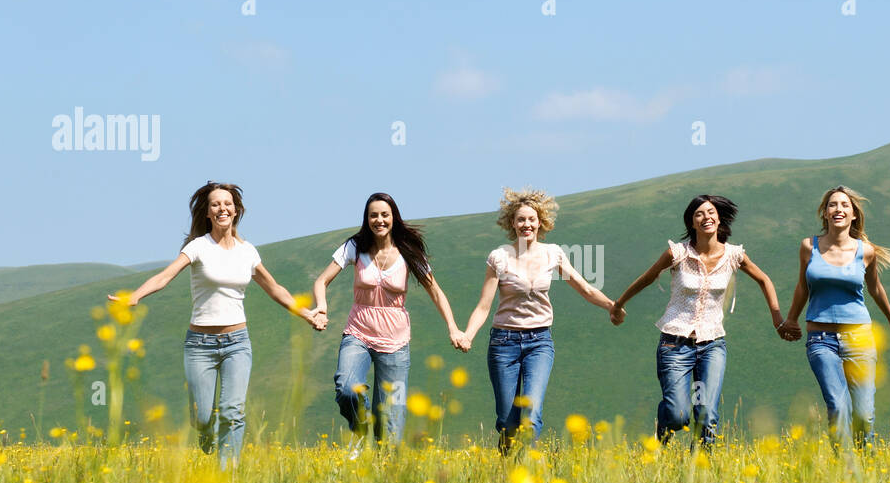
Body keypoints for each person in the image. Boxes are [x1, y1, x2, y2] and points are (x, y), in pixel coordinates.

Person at [110, 182, 322, 469]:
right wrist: (135, 296)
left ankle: (227, 475)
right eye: (215, 204)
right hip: (199, 346)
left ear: (237, 210)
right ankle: (205, 432)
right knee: (202, 417)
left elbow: (275, 289)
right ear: (208, 213)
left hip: (237, 342)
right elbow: (164, 276)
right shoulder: (198, 247)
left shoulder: (248, 252)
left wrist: (307, 314)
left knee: (233, 410)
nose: (222, 208)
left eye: (227, 203)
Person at [610, 194, 789, 447]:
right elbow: (647, 278)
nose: (706, 217)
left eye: (711, 212)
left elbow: (764, 279)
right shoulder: (678, 253)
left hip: (712, 346)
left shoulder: (734, 255)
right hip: (674, 345)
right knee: (678, 415)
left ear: (719, 218)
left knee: (706, 415)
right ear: (692, 223)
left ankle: (701, 472)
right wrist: (619, 304)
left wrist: (777, 318)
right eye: (699, 214)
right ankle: (664, 426)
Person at [460, 188, 616, 453]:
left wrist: (612, 306)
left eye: (531, 219)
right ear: (512, 223)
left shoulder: (552, 254)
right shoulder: (499, 257)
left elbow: (584, 288)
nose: (526, 224)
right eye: (520, 219)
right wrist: (468, 335)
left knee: (530, 416)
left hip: (539, 343)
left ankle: (529, 473)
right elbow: (484, 306)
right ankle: (507, 472)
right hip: (503, 343)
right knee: (508, 423)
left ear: (540, 222)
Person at [312, 193, 465, 453]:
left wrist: (453, 327)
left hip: (395, 342)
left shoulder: (409, 252)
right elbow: (321, 281)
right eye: (374, 215)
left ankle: (385, 473)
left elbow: (436, 292)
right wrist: (322, 308)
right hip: (358, 333)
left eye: (384, 214)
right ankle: (360, 429)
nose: (379, 220)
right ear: (366, 218)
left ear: (394, 217)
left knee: (392, 418)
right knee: (347, 387)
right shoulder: (355, 247)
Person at [779, 185, 890, 449]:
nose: (838, 209)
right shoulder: (808, 247)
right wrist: (791, 319)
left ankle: (865, 470)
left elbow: (875, 288)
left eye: (844, 205)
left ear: (854, 215)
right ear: (824, 213)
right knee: (838, 406)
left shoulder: (865, 251)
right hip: (820, 340)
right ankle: (844, 469)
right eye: (833, 205)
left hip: (859, 338)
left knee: (864, 414)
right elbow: (802, 287)